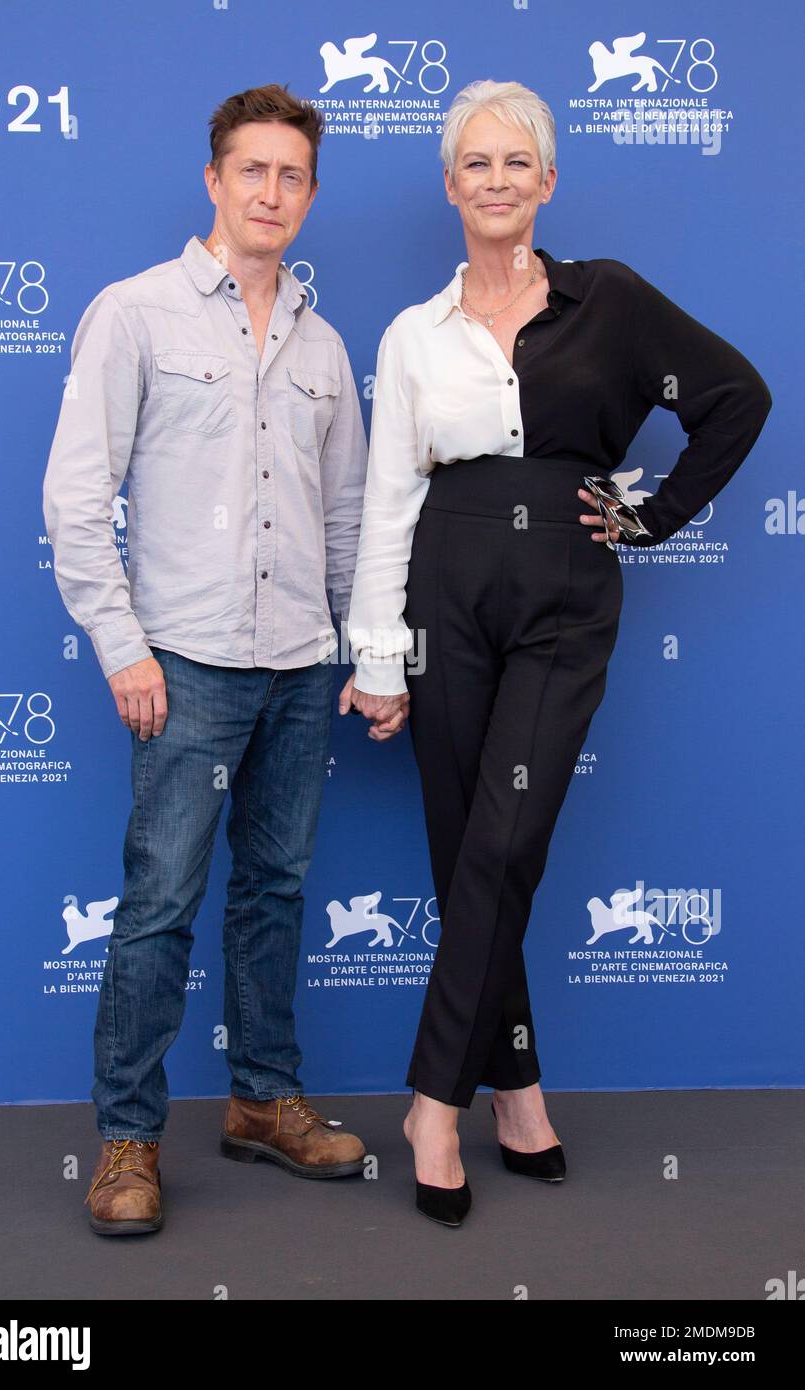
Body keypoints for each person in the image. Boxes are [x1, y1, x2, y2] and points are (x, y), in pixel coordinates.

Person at [341, 79, 772, 1226]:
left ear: (546, 180)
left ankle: (432, 1099)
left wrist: (651, 515)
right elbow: (388, 502)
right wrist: (377, 653)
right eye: (473, 164)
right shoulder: (411, 332)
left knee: (506, 836)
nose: (494, 181)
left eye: (514, 163)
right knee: (464, 845)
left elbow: (735, 396)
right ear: (449, 186)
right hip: (444, 576)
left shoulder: (609, 302)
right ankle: (518, 1089)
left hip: (563, 592)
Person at [43, 84, 370, 1236]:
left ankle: (263, 1101)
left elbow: (343, 524)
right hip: (182, 665)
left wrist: (358, 651)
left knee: (274, 892)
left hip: (297, 665)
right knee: (159, 905)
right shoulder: (134, 314)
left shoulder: (324, 345)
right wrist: (122, 646)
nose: (270, 193)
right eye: (251, 171)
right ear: (213, 180)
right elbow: (76, 497)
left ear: (309, 193)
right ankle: (127, 1136)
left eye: (291, 176)